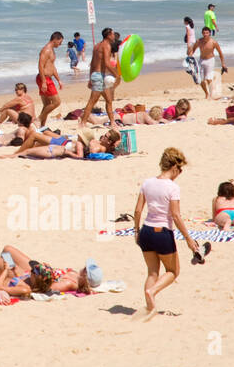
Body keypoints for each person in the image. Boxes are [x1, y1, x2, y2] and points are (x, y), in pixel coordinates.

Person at [133, 147, 203, 319]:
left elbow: (137, 211)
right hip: (162, 232)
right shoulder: (173, 187)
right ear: (174, 167)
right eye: (180, 170)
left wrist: (136, 231)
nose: (180, 173)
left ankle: (150, 308)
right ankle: (152, 292)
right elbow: (176, 215)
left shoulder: (147, 183)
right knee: (173, 271)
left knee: (152, 272)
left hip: (146, 231)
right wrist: (188, 238)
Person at [79, 27, 117, 124]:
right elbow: (107, 63)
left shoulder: (96, 46)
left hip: (97, 75)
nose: (114, 36)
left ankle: (113, 122)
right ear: (108, 35)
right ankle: (83, 122)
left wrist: (90, 78)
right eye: (112, 34)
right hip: (99, 76)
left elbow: (92, 63)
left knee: (108, 100)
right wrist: (116, 74)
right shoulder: (106, 46)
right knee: (92, 101)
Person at [187, 25, 226, 101]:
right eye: (204, 33)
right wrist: (189, 58)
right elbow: (193, 51)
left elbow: (220, 53)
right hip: (201, 60)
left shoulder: (213, 42)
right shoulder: (199, 41)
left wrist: (223, 64)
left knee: (208, 78)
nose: (205, 34)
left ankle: (211, 94)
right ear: (202, 33)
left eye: (207, 33)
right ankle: (206, 93)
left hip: (210, 60)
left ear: (209, 34)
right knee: (200, 80)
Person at [35, 31, 64, 127]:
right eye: (60, 42)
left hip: (47, 78)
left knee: (47, 104)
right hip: (44, 79)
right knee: (57, 102)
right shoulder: (46, 50)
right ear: (55, 39)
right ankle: (39, 119)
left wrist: (58, 80)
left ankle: (42, 126)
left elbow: (52, 66)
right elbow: (40, 66)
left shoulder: (51, 50)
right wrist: (43, 81)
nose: (60, 44)